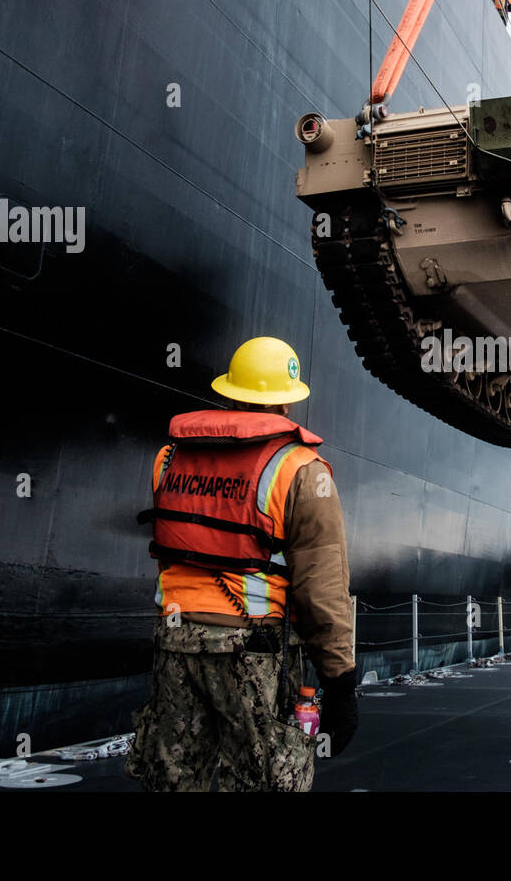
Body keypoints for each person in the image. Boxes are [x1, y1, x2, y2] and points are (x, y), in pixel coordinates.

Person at [124, 336, 357, 791]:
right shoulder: (301, 470)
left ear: (229, 392)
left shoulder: (169, 457)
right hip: (252, 650)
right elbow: (321, 587)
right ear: (287, 405)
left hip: (175, 641)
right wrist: (340, 679)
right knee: (261, 780)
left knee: (173, 778)